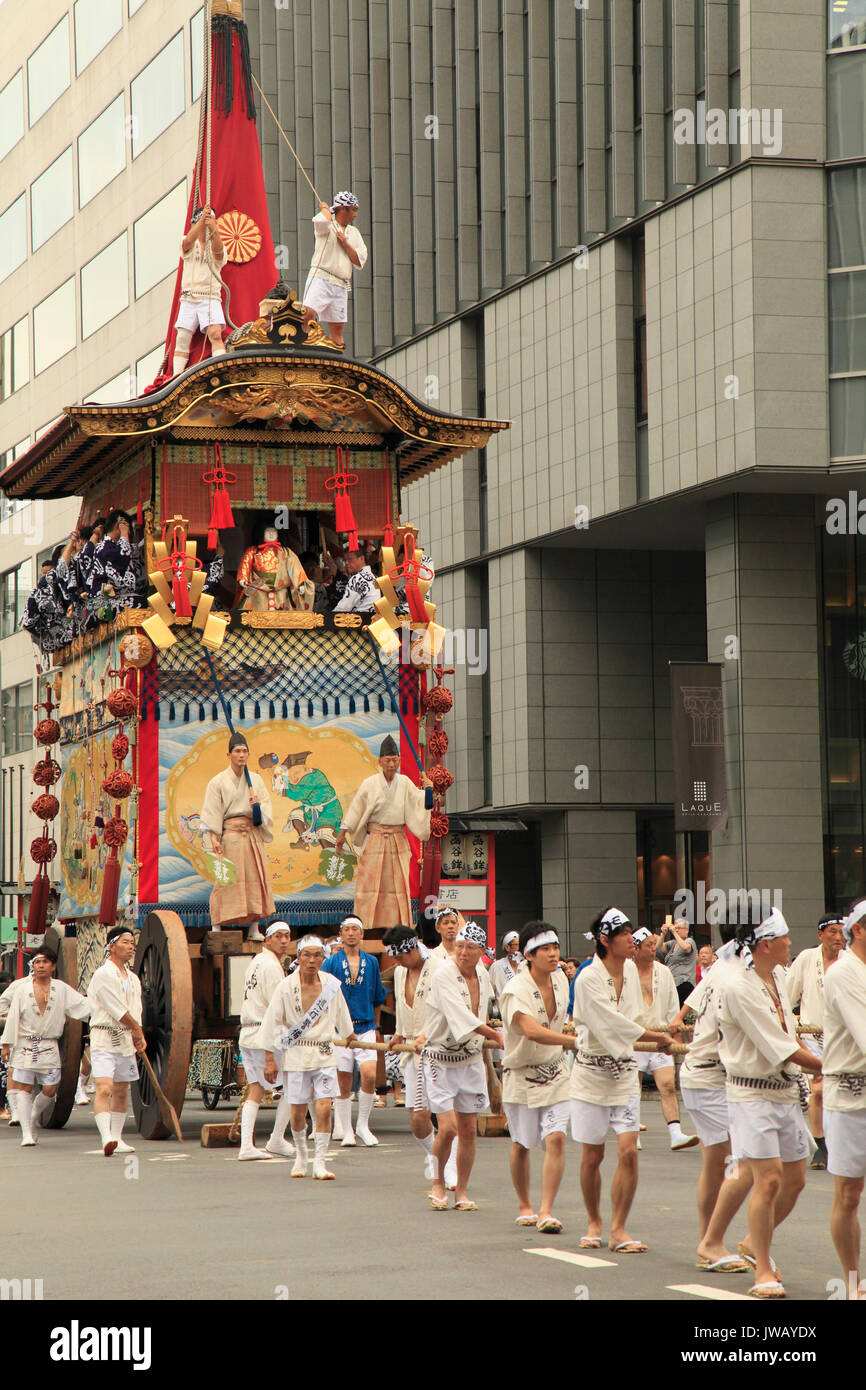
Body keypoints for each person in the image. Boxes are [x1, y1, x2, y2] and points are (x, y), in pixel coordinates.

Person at [716, 909, 823, 1298]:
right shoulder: (739, 986)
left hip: (784, 1091)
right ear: (765, 944)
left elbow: (793, 1031)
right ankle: (762, 1267)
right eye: (785, 938)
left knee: (795, 1180)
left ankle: (752, 1241)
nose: (790, 944)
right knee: (770, 1177)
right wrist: (835, 1065)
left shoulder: (778, 975)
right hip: (750, 1092)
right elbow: (781, 1046)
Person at [569, 907, 674, 1254]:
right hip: (591, 1072)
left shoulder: (630, 968)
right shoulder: (587, 978)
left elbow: (632, 1016)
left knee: (629, 1150)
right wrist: (652, 1037)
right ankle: (594, 1222)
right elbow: (609, 1022)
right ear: (605, 940)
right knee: (592, 1155)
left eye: (632, 932)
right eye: (625, 933)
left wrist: (660, 1031)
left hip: (625, 1069)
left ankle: (618, 1228)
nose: (633, 939)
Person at [674, 926, 753, 1273]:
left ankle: (710, 1239)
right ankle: (712, 1241)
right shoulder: (733, 973)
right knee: (741, 1159)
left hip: (709, 1075)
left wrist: (678, 1019)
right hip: (707, 1076)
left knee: (718, 1161)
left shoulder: (723, 966)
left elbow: (693, 1001)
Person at [501, 922, 577, 1233]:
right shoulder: (515, 988)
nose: (553, 954)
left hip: (556, 1069)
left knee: (556, 1138)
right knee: (521, 1143)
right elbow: (530, 1030)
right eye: (545, 949)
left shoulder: (560, 978)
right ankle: (525, 1205)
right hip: (522, 1071)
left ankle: (546, 1210)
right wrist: (573, 1042)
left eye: (555, 948)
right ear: (529, 955)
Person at [261, 935, 357, 1180]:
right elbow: (271, 1023)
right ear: (299, 957)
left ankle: (321, 1162)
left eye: (317, 955)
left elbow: (344, 1018)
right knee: (297, 1111)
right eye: (307, 955)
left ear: (323, 958)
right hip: (295, 1054)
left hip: (324, 1052)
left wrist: (349, 1035)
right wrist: (270, 1059)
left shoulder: (331, 985)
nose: (312, 961)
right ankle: (302, 1155)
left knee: (324, 1107)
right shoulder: (285, 987)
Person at [421, 921, 502, 1211]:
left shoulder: (482, 973)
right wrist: (494, 1035)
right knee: (449, 1128)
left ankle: (463, 1190)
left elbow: (490, 1010)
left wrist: (499, 1030)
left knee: (468, 1129)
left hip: (470, 1059)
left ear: (482, 951)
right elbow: (458, 1015)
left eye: (470, 947)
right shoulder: (443, 974)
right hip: (440, 1058)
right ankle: (439, 1182)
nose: (463, 952)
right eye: (460, 947)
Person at [335, 737, 432, 929]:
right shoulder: (370, 783)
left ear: (399, 761)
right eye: (387, 760)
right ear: (379, 762)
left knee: (399, 885)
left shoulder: (404, 782)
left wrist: (428, 789)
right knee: (369, 884)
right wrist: (342, 833)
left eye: (395, 760)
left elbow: (419, 801)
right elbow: (356, 808)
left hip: (398, 839)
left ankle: (398, 925)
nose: (391, 764)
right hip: (376, 839)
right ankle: (366, 925)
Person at [0, 949, 91, 1147]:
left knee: (50, 1089)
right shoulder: (22, 989)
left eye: (45, 962)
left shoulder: (61, 988)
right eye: (38, 962)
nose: (41, 965)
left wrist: (105, 1010)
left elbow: (82, 1006)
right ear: (33, 965)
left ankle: (32, 1116)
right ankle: (26, 1132)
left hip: (49, 1044)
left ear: (53, 966)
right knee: (24, 1088)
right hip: (26, 1043)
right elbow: (13, 1016)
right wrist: (6, 1045)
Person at [823, 898, 866, 1300]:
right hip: (850, 1093)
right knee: (849, 1193)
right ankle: (853, 1282)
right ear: (859, 929)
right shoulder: (842, 974)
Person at [786, 912, 846, 1170]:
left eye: (842, 931)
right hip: (811, 1035)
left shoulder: (851, 961)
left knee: (843, 1091)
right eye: (832, 931)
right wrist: (794, 1033)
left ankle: (839, 1141)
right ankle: (820, 1144)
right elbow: (787, 1000)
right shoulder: (806, 959)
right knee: (819, 1090)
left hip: (843, 1038)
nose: (838, 937)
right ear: (820, 934)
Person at [200, 732, 275, 937]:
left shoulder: (256, 780)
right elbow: (212, 812)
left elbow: (266, 809)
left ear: (248, 754)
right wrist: (215, 838)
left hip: (251, 833)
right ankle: (216, 924)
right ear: (229, 754)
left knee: (254, 879)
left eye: (244, 751)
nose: (241, 755)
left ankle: (254, 926)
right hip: (230, 834)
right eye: (237, 751)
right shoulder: (217, 782)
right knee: (226, 879)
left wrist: (257, 807)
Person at [383, 925, 443, 1180]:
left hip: (439, 1048)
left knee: (447, 1117)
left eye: (400, 956)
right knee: (417, 1119)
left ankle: (444, 1162)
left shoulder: (440, 969)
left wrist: (428, 1033)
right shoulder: (399, 971)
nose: (397, 962)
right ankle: (435, 1155)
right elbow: (402, 1003)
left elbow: (447, 1009)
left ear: (413, 946)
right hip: (411, 1048)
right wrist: (399, 1031)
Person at [322, 915, 387, 1146]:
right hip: (340, 1029)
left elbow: (378, 996)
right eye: (347, 929)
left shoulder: (371, 962)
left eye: (355, 929)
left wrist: (378, 1026)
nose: (350, 933)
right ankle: (346, 1129)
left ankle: (362, 1125)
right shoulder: (330, 963)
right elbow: (322, 997)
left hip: (365, 1025)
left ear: (362, 934)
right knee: (344, 1081)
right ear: (341, 934)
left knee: (369, 1075)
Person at [631, 926, 697, 1150]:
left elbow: (672, 1006)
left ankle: (676, 1133)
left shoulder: (663, 971)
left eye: (653, 945)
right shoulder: (625, 971)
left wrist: (674, 1036)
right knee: (633, 1087)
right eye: (648, 945)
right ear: (636, 948)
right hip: (635, 1036)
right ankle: (632, 1134)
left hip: (661, 1036)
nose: (653, 949)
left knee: (668, 1085)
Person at [86, 926, 146, 1157]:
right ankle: (106, 1137)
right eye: (125, 942)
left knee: (122, 1090)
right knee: (104, 1088)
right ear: (112, 946)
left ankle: (118, 1137)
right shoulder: (103, 974)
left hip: (126, 1037)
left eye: (132, 942)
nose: (131, 946)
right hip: (104, 1035)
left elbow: (136, 1009)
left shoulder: (133, 978)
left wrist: (137, 1035)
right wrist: (137, 1030)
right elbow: (116, 1009)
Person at [237, 922, 293, 1160]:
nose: (283, 940)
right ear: (267, 940)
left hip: (249, 1032)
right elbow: (276, 1009)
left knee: (256, 1089)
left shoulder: (256, 962)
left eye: (287, 936)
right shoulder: (270, 966)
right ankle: (276, 1138)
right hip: (264, 1032)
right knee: (294, 1084)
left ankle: (247, 1146)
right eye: (278, 936)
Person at [301, 192, 368, 350]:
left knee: (337, 329)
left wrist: (345, 244)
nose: (355, 214)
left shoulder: (354, 233)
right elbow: (321, 221)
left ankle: (337, 359)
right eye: (353, 210)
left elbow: (359, 260)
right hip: (321, 277)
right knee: (308, 315)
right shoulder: (328, 225)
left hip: (341, 284)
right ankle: (300, 349)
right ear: (343, 209)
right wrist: (326, 209)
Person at [173, 204, 227, 375]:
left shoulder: (216, 244)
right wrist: (201, 222)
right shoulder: (187, 241)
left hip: (210, 296)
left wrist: (214, 229)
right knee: (182, 337)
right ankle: (176, 375)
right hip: (189, 297)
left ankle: (221, 370)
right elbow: (187, 242)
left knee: (215, 334)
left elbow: (219, 255)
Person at [235, 528, 314, 612]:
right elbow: (245, 565)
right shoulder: (253, 551)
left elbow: (295, 569)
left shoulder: (286, 552)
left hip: (281, 590)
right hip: (258, 590)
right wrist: (243, 578)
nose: (271, 534)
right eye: (268, 532)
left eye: (273, 532)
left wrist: (300, 584)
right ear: (261, 534)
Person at [277, 752, 341, 850]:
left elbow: (298, 794)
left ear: (306, 769)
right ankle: (303, 842)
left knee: (324, 832)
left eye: (295, 773)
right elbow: (294, 788)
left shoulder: (312, 778)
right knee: (296, 814)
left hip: (328, 810)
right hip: (312, 809)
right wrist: (280, 778)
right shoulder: (305, 777)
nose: (293, 778)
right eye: (289, 777)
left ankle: (330, 853)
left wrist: (282, 784)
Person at [656, 918, 697, 1006]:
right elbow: (658, 948)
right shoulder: (673, 943)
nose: (676, 930)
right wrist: (663, 934)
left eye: (679, 928)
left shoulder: (689, 941)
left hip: (684, 982)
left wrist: (674, 932)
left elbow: (686, 948)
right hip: (672, 983)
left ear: (686, 930)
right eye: (675, 927)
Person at [332, 550, 379, 615]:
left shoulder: (357, 579)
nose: (346, 563)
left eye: (350, 559)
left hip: (361, 621)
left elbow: (343, 608)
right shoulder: (375, 577)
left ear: (361, 558)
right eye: (345, 560)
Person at [488, 932, 524, 1010]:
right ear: (507, 947)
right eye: (517, 945)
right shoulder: (497, 967)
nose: (521, 949)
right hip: (503, 1016)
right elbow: (489, 994)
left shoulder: (526, 966)